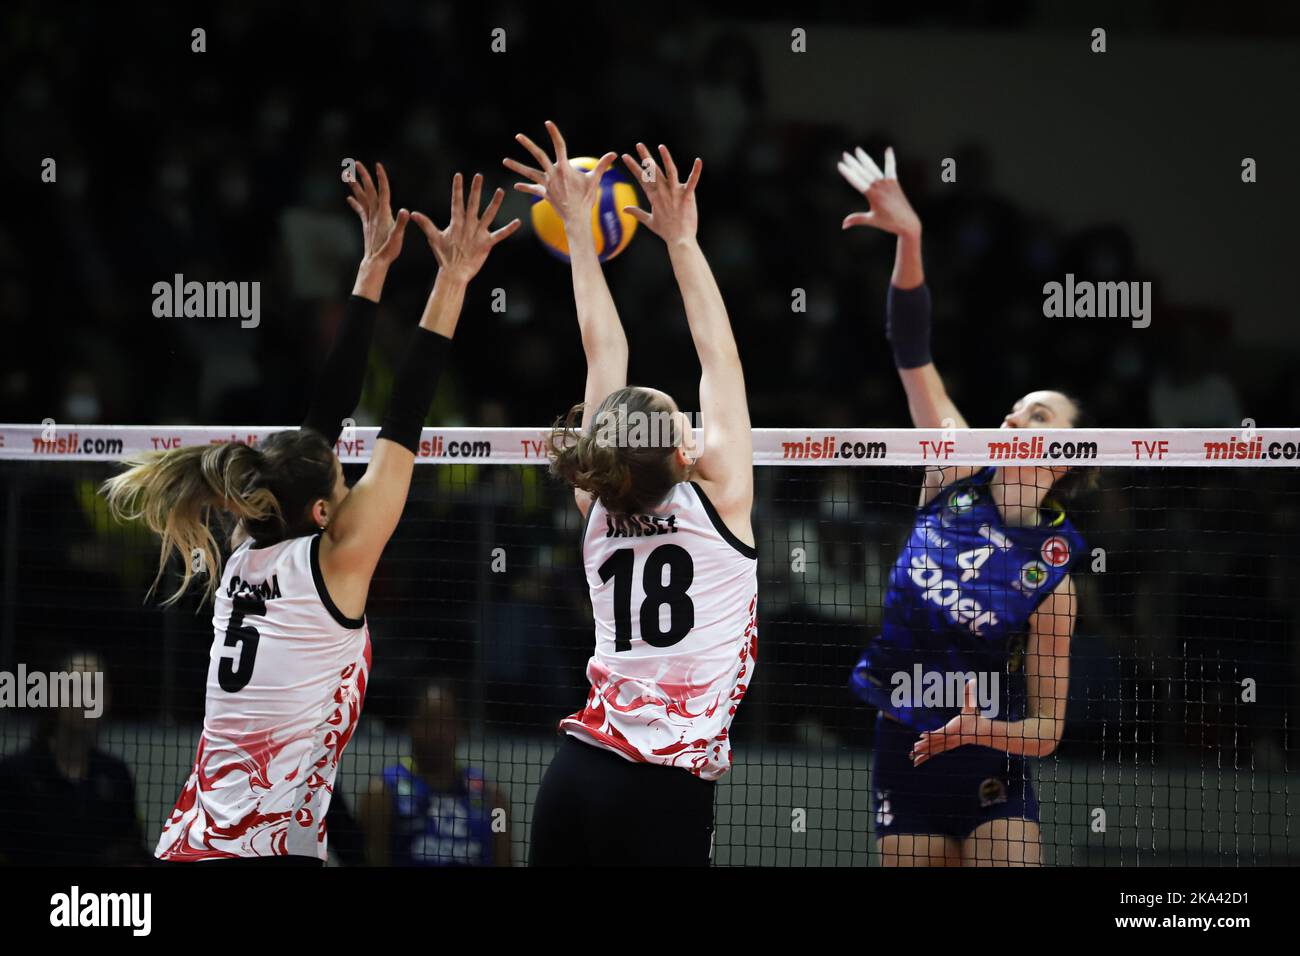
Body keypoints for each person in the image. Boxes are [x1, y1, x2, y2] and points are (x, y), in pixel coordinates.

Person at [101, 163, 518, 864]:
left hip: (202, 839)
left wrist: (372, 266)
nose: (357, 478)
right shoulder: (335, 562)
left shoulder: (250, 546)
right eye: (347, 480)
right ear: (324, 512)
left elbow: (322, 420)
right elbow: (403, 417)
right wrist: (452, 278)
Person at [503, 122, 757, 866]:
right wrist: (681, 239)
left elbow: (600, 347)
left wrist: (580, 232)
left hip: (576, 778)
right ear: (687, 449)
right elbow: (722, 353)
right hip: (662, 791)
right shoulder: (724, 499)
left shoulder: (594, 507)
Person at [838, 145, 1089, 867]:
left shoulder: (1053, 579)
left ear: (1066, 457)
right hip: (903, 749)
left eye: (1037, 416)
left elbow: (1046, 728)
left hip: (989, 762)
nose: (1014, 421)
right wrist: (911, 241)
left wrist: (981, 731)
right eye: (1014, 410)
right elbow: (912, 351)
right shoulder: (952, 467)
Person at [0, 651, 148, 865]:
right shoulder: (15, 773)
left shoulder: (116, 775)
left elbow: (132, 850)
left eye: (96, 689)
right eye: (76, 687)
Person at [359, 680, 510, 866]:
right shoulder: (382, 793)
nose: (438, 733)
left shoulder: (494, 801)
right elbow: (373, 858)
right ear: (410, 726)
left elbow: (503, 858)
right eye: (428, 722)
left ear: (461, 728)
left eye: (447, 722)